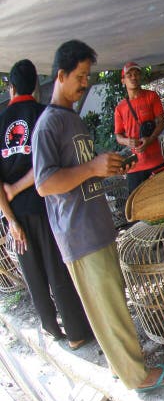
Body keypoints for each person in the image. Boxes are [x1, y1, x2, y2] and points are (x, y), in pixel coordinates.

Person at [32, 40, 164, 392]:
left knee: (110, 300)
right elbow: (45, 183)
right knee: (109, 307)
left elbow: (80, 170)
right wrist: (92, 167)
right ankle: (136, 375)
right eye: (80, 76)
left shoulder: (70, 120)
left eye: (88, 76)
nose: (85, 83)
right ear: (61, 75)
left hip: (94, 225)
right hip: (79, 233)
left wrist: (104, 167)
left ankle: (120, 364)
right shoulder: (48, 124)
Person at [0, 59, 92, 348]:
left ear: (11, 87)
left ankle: (51, 329)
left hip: (12, 212)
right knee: (56, 266)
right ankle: (76, 333)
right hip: (46, 205)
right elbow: (47, 168)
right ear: (36, 89)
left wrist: (11, 220)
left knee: (33, 272)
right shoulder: (45, 115)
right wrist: (18, 188)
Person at [113, 61, 164, 193]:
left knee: (163, 200)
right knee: (136, 206)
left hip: (155, 161)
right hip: (134, 167)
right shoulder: (120, 108)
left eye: (136, 74)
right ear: (123, 80)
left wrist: (151, 139)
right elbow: (118, 135)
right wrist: (128, 141)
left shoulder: (151, 96)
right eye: (129, 75)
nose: (133, 77)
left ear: (140, 77)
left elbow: (161, 121)